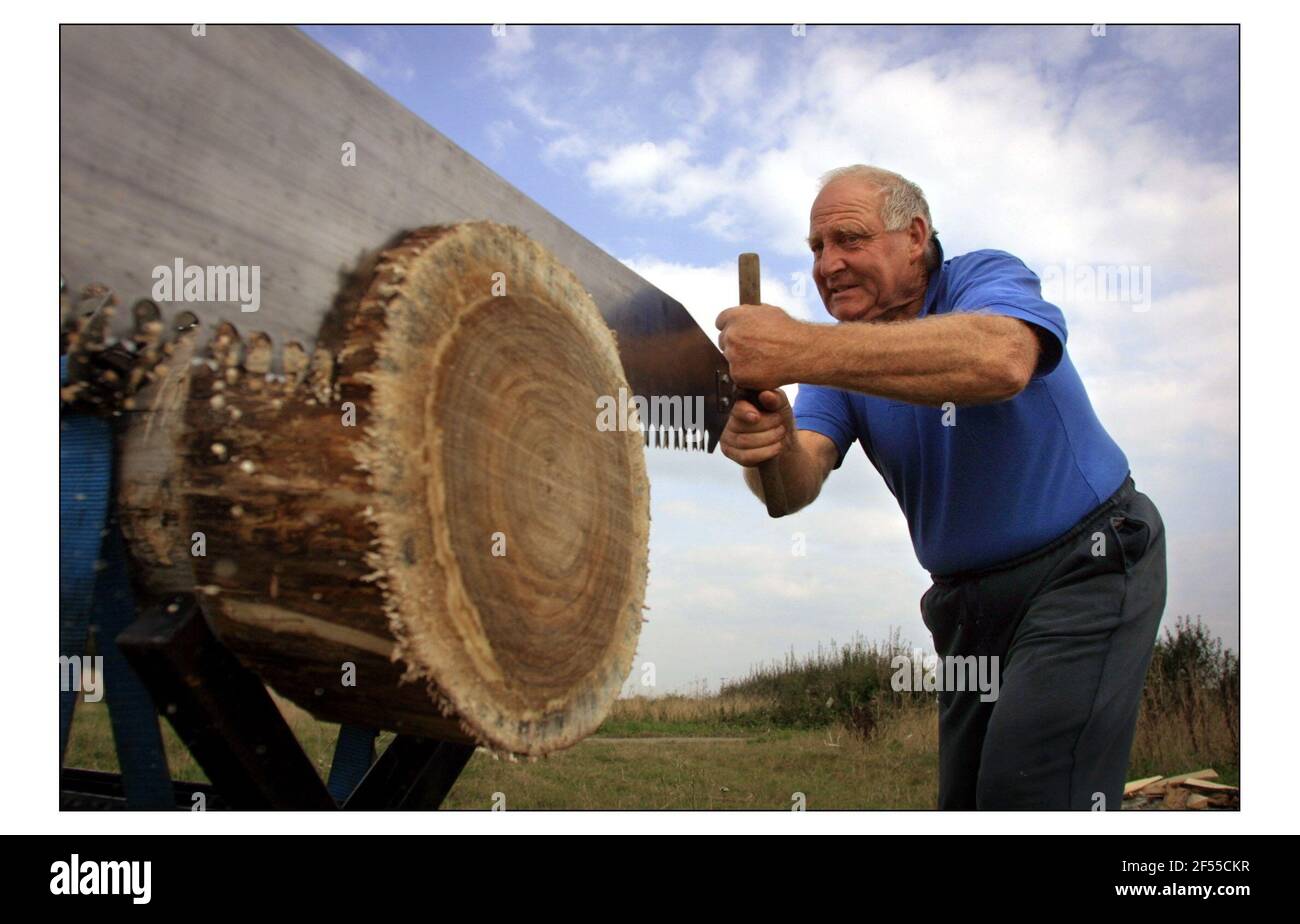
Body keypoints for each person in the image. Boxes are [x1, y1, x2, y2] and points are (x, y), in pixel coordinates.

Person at [714, 164, 1167, 810]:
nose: (828, 264)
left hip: (1084, 567)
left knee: (1029, 792)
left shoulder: (981, 279)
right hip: (964, 610)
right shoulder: (834, 367)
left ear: (915, 236)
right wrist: (771, 441)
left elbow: (1002, 359)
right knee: (965, 804)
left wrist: (798, 348)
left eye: (849, 239)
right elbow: (792, 489)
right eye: (816, 247)